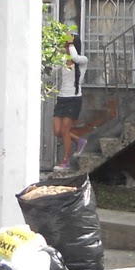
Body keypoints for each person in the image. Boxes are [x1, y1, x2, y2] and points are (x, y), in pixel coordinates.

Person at [52, 34, 89, 170]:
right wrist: (58, 51)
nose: (67, 47)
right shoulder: (64, 59)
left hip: (74, 99)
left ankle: (65, 161)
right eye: (66, 45)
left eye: (69, 45)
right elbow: (52, 68)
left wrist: (70, 43)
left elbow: (74, 57)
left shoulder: (82, 60)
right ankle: (79, 140)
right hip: (62, 98)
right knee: (57, 131)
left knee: (65, 130)